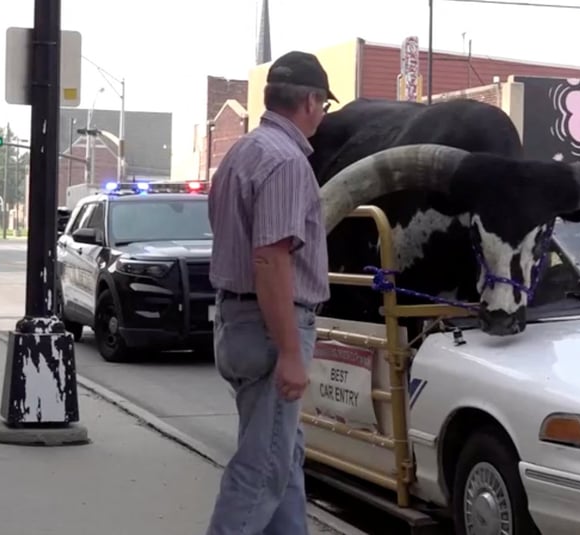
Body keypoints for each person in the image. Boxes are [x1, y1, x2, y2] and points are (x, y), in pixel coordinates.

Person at [205, 51, 336, 534]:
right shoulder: (287, 161)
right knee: (262, 470)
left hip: (237, 321)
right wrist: (290, 352)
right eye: (323, 105)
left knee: (284, 455)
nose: (322, 115)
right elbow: (270, 259)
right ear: (311, 100)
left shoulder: (243, 152)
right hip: (270, 328)